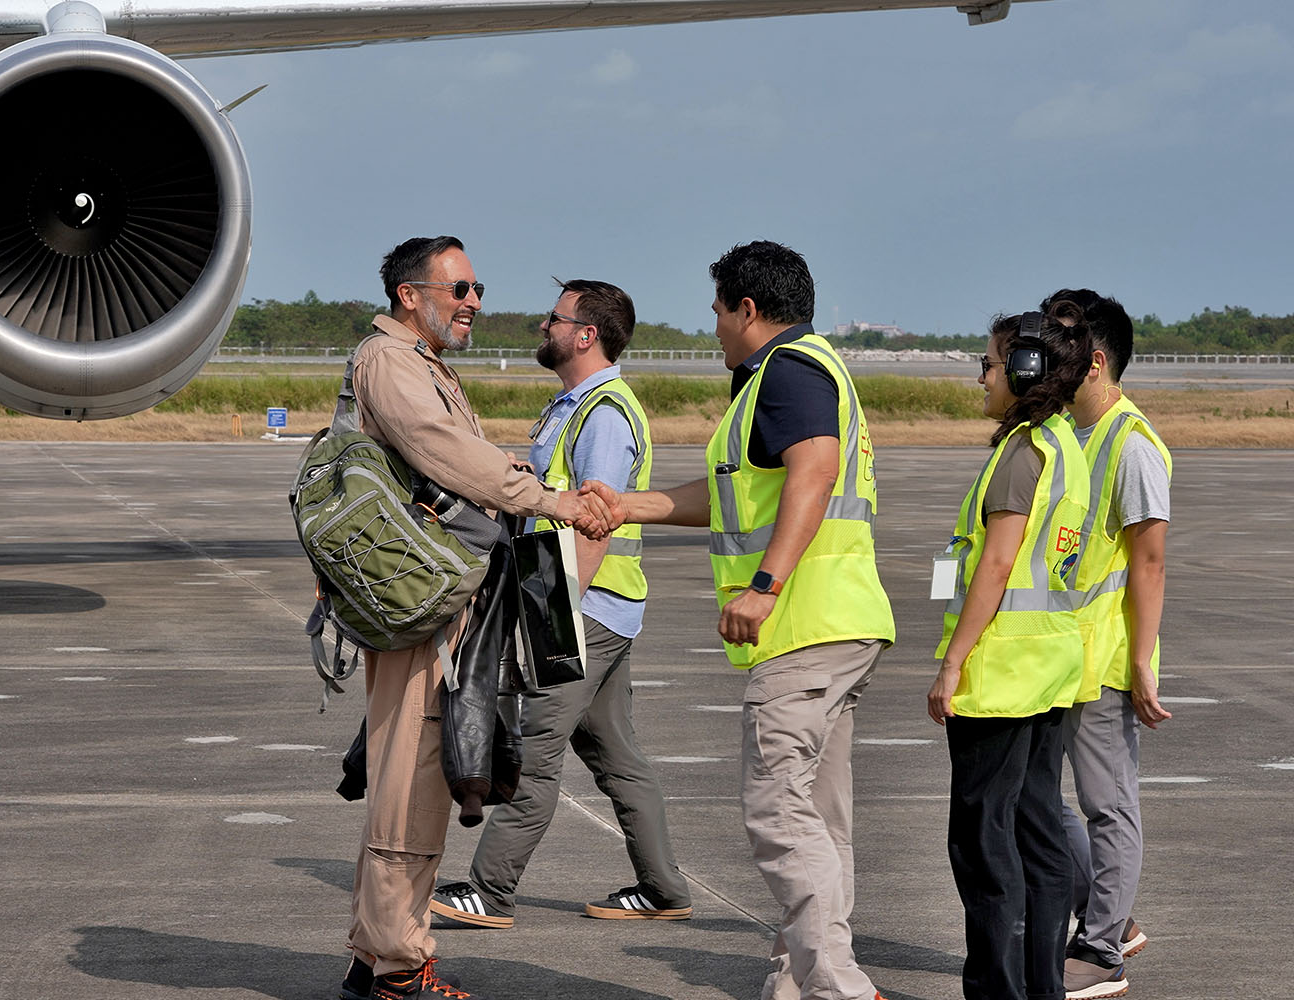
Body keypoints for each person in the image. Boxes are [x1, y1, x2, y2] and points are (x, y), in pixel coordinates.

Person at [585, 241, 895, 1000]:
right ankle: (799, 979)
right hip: (837, 622)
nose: (715, 325)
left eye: (719, 310)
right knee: (816, 817)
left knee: (778, 813)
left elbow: (814, 472)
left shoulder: (788, 372)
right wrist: (630, 506)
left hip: (803, 626)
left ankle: (838, 987)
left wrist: (763, 586)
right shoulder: (793, 374)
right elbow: (732, 497)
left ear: (748, 309)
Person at [338, 236, 606, 1000]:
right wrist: (552, 499)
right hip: (420, 607)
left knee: (418, 776)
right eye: (459, 289)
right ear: (409, 295)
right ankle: (399, 971)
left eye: (476, 288)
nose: (474, 302)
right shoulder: (391, 362)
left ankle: (373, 960)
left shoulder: (418, 362)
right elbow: (446, 454)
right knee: (414, 786)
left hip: (437, 600)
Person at [430, 279, 692, 928]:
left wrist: (551, 619)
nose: (543, 326)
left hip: (580, 608)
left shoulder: (603, 414)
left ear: (586, 335)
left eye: (555, 318)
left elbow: (595, 524)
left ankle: (491, 890)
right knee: (615, 755)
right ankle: (663, 889)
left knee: (534, 751)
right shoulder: (573, 406)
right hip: (592, 604)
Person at [926, 309, 1093, 1000]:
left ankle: (998, 990)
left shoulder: (1022, 454)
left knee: (983, 841)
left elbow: (996, 567)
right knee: (1038, 831)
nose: (982, 378)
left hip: (1001, 673)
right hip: (1049, 667)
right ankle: (1041, 987)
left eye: (989, 365)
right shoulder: (1064, 446)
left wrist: (952, 663)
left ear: (1025, 372)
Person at [1044, 290, 1172, 1000]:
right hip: (1053, 656)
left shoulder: (1132, 445)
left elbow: (1149, 563)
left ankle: (1100, 950)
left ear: (1094, 362)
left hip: (1105, 661)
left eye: (1059, 346)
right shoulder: (1067, 430)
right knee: (1034, 797)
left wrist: (1143, 664)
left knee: (1107, 805)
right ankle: (1111, 915)